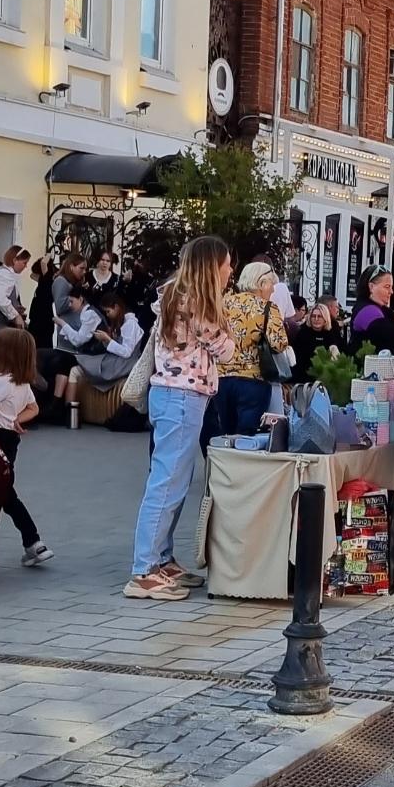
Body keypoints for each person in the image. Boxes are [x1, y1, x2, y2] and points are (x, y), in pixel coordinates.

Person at [127, 237, 234, 601]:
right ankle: (143, 570)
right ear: (211, 267)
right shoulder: (200, 305)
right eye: (227, 264)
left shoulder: (175, 295)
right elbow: (228, 348)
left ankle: (161, 559)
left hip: (174, 397)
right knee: (168, 481)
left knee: (174, 479)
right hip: (182, 398)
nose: (230, 271)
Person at [0, 327, 53, 570]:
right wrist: (16, 418)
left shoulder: (2, 383)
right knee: (3, 493)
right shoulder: (22, 384)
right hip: (9, 441)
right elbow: (34, 409)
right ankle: (32, 542)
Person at [206, 261, 291, 444]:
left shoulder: (223, 303)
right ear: (261, 284)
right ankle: (244, 471)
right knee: (246, 437)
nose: (273, 291)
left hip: (221, 379)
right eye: (271, 285)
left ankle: (223, 470)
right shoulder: (267, 308)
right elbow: (279, 344)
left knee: (224, 434)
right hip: (253, 380)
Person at [64, 289, 144, 425]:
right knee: (75, 369)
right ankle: (69, 413)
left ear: (117, 307)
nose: (107, 315)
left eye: (108, 311)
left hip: (122, 363)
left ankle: (68, 414)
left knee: (76, 369)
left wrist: (107, 339)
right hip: (117, 360)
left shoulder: (130, 325)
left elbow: (126, 352)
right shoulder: (124, 323)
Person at [349, 266, 394, 355]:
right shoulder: (366, 311)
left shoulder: (384, 310)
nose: (391, 291)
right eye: (387, 287)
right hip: (366, 366)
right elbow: (393, 334)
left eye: (391, 287)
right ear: (371, 287)